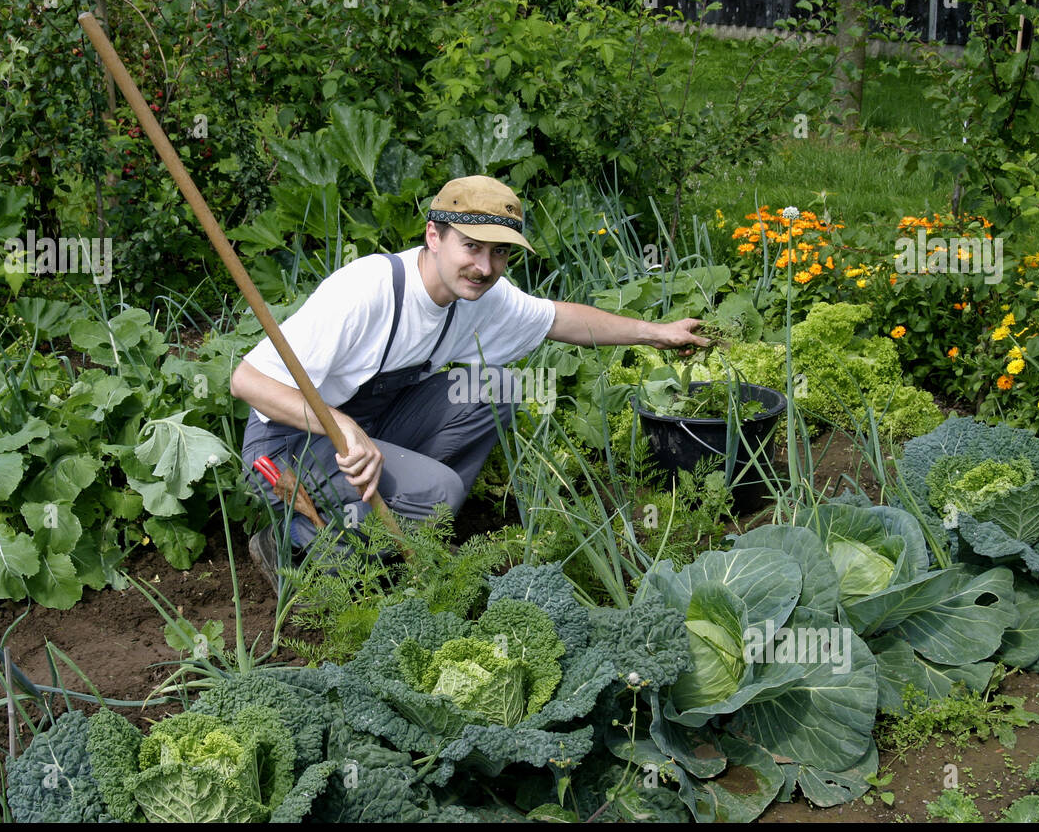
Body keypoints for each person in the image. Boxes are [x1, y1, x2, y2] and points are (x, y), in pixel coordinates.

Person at [231, 175, 710, 581]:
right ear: (434, 236)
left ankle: (396, 525)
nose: (484, 267)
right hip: (285, 446)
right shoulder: (368, 291)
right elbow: (247, 382)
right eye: (472, 247)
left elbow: (558, 319)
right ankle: (298, 540)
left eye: (499, 253)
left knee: (495, 388)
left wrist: (654, 334)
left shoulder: (477, 294)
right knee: (438, 494)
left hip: (368, 429)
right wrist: (345, 427)